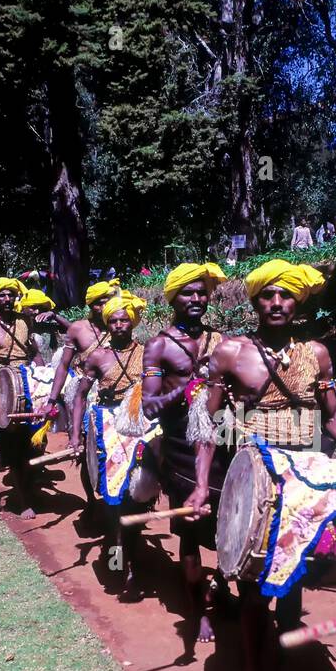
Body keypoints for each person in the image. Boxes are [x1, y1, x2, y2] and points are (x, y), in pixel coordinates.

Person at [195, 259, 336, 671]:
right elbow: (207, 423)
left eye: (285, 295)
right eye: (268, 295)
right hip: (257, 476)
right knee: (252, 584)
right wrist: (201, 485)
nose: (276, 302)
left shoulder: (317, 353)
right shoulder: (230, 353)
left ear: (296, 302)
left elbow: (332, 417)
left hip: (305, 476)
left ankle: (284, 667)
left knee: (292, 579)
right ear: (255, 300)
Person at [140, 262, 229, 646]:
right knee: (190, 529)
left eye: (202, 292)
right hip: (180, 448)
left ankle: (223, 587)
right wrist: (189, 389)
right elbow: (149, 407)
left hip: (223, 444)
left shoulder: (222, 341)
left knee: (230, 522)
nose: (196, 299)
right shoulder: (159, 345)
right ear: (173, 298)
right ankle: (198, 611)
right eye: (188, 293)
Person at [67, 290, 160, 594]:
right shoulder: (97, 357)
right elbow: (80, 395)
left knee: (138, 495)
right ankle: (119, 559)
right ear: (108, 324)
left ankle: (129, 559)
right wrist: (75, 435)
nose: (119, 325)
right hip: (107, 427)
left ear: (132, 323)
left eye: (124, 320)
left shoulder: (147, 353)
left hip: (140, 424)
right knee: (114, 501)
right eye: (114, 321)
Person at [0, 277, 42, 518]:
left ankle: (29, 484)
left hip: (27, 382)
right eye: (2, 295)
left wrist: (43, 377)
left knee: (35, 441)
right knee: (13, 445)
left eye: (11, 295)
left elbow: (34, 353)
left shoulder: (25, 320)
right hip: (2, 387)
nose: (7, 299)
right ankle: (23, 500)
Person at [47, 279, 113, 437]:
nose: (104, 308)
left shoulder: (119, 325)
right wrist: (52, 400)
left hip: (112, 386)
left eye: (107, 303)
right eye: (99, 304)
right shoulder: (78, 329)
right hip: (84, 388)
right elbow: (63, 366)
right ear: (90, 305)